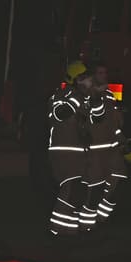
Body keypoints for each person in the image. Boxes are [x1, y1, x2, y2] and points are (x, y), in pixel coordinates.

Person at [47, 62, 95, 235]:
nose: (91, 82)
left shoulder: (84, 100)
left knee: (78, 192)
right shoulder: (63, 95)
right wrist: (78, 98)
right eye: (87, 78)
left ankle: (69, 231)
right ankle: (57, 231)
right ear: (78, 80)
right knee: (70, 189)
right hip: (64, 152)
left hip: (78, 153)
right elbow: (60, 114)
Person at [83, 63, 128, 224]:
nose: (104, 75)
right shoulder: (88, 94)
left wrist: (122, 140)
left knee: (118, 178)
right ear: (93, 75)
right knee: (94, 188)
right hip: (95, 149)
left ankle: (101, 218)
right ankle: (87, 225)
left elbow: (113, 123)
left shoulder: (109, 94)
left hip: (112, 147)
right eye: (100, 72)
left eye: (105, 72)